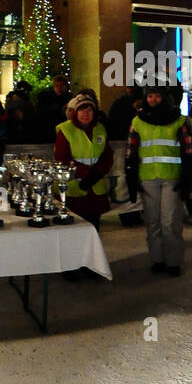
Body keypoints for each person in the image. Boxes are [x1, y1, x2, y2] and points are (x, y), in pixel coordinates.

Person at [128, 86, 192, 277]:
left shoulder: (179, 121)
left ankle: (173, 262)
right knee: (152, 223)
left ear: (165, 98)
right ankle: (157, 259)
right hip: (148, 178)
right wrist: (131, 176)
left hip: (172, 178)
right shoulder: (138, 121)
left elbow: (188, 152)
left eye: (157, 96)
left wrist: (187, 177)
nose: (154, 100)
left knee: (170, 223)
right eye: (150, 96)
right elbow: (131, 151)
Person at [54, 93, 115, 281]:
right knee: (71, 230)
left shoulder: (100, 129)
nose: (86, 114)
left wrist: (96, 174)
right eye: (82, 110)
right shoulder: (65, 130)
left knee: (93, 231)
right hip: (73, 189)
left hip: (94, 189)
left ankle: (90, 265)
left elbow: (107, 155)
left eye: (89, 110)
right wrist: (87, 173)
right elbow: (62, 159)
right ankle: (70, 267)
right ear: (75, 112)